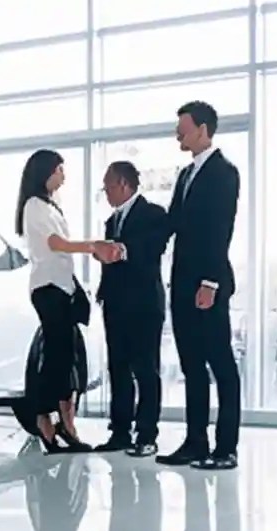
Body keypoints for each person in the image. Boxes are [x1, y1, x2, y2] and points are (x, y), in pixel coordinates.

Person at [157, 101, 242, 470]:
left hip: (209, 284)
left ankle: (226, 448)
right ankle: (196, 442)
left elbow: (220, 230)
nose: (178, 134)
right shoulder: (185, 175)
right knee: (192, 365)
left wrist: (210, 282)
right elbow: (172, 224)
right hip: (182, 284)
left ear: (204, 129)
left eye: (184, 128)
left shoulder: (224, 173)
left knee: (220, 364)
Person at [17, 149, 101, 454]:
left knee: (68, 357)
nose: (63, 174)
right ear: (47, 172)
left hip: (63, 289)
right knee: (55, 359)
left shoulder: (52, 206)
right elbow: (56, 244)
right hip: (49, 290)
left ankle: (66, 424)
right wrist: (93, 247)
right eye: (60, 169)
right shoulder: (34, 207)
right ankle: (45, 422)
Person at [93, 161, 169, 457]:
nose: (106, 192)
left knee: (146, 370)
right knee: (119, 369)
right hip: (116, 305)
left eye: (108, 186)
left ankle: (147, 434)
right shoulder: (111, 222)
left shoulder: (153, 214)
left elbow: (152, 249)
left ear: (124, 184)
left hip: (144, 306)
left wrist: (121, 251)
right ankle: (121, 431)